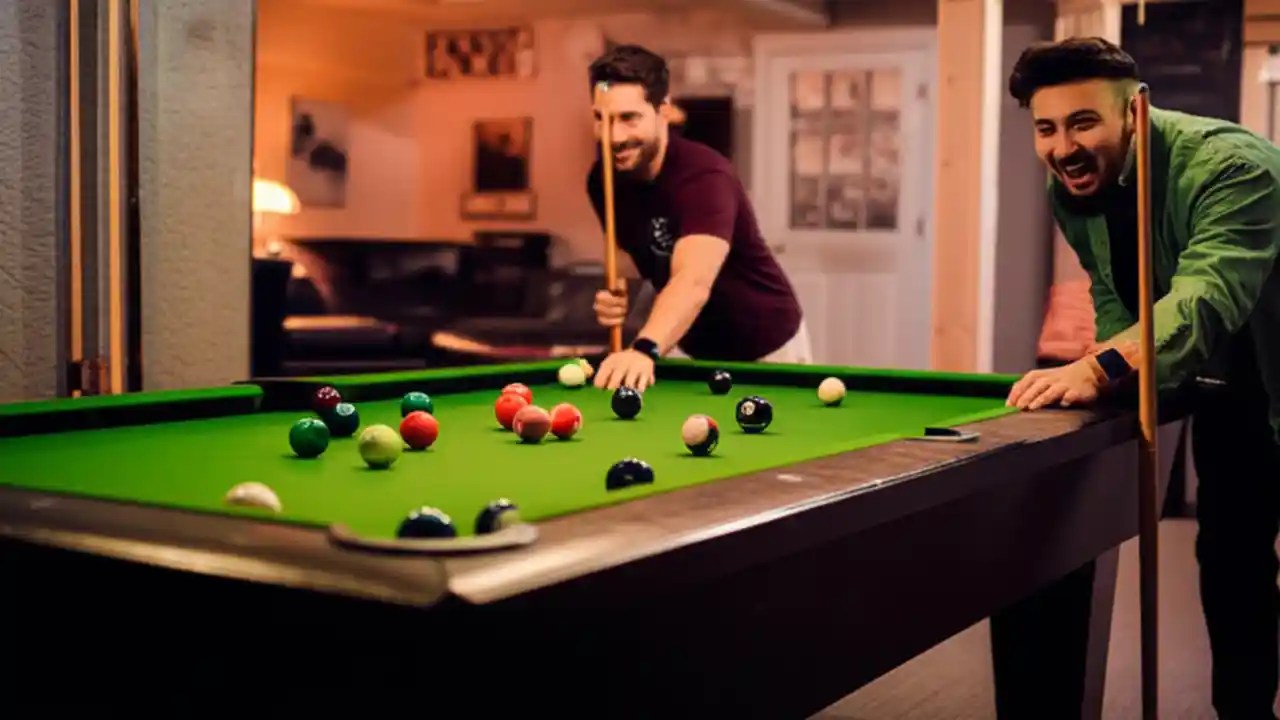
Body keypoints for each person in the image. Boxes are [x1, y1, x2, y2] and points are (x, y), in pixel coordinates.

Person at [1004, 37, 1280, 720]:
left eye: (1083, 122)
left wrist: (1102, 368)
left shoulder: (1234, 167)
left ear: (1134, 113)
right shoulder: (1071, 185)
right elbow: (1112, 292)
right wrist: (1113, 363)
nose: (1063, 146)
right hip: (1230, 385)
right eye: (1047, 128)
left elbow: (1205, 295)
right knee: (1232, 563)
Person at [583, 44, 810, 391]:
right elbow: (636, 256)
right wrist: (617, 296)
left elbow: (691, 282)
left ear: (664, 110)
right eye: (602, 118)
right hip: (688, 346)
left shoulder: (704, 177)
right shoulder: (603, 180)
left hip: (766, 345)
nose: (614, 137)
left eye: (629, 118)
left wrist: (643, 348)